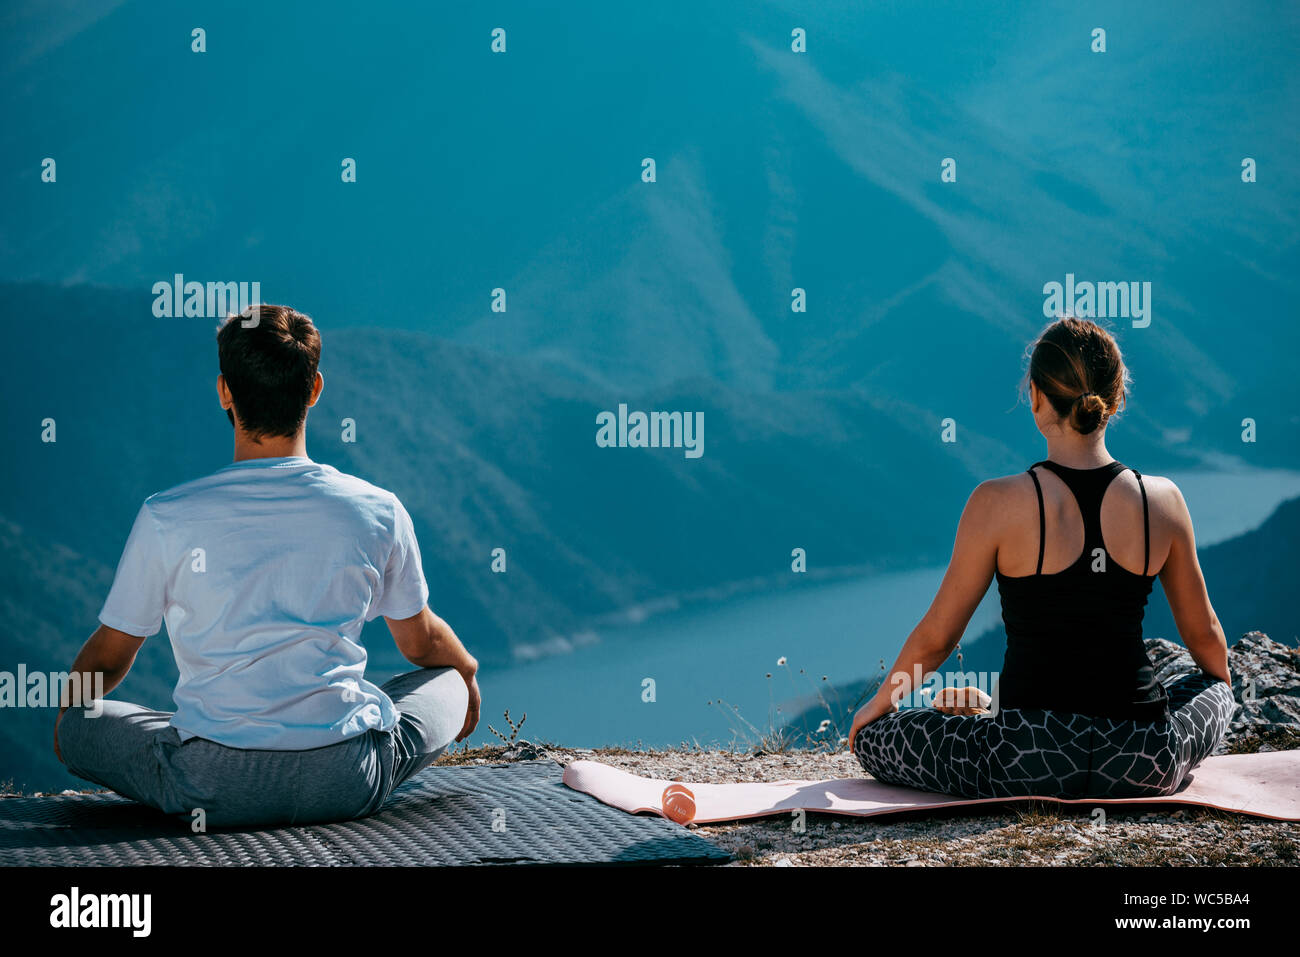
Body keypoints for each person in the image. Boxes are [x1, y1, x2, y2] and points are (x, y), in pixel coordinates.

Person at [54, 304, 481, 827]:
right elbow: (421, 644)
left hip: (210, 784)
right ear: (315, 389)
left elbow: (110, 655)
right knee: (446, 683)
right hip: (345, 778)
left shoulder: (168, 515)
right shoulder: (377, 510)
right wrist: (466, 672)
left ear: (224, 392)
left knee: (82, 720)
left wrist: (69, 722)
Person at [848, 317, 1235, 799]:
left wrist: (878, 708)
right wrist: (1221, 688)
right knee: (1216, 688)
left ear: (1035, 397)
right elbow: (1204, 637)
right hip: (1142, 760)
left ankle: (979, 712)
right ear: (1116, 401)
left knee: (877, 737)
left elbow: (936, 639)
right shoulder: (1163, 500)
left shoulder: (995, 503)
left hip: (1027, 758)